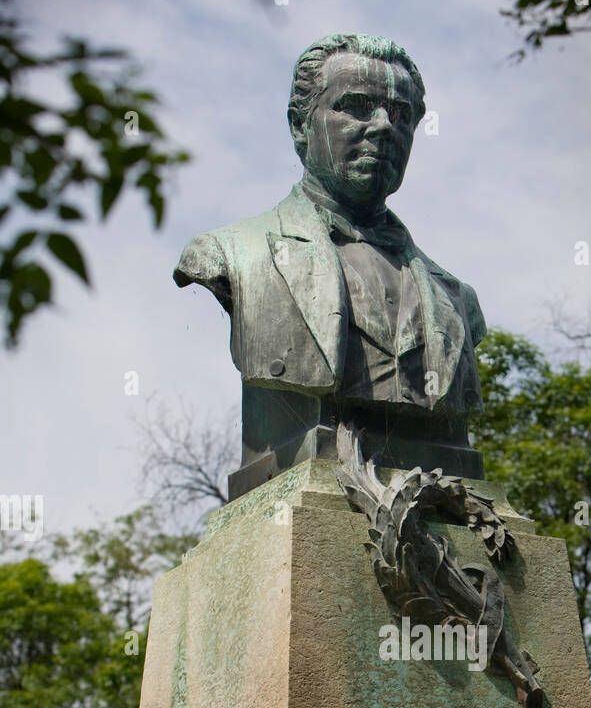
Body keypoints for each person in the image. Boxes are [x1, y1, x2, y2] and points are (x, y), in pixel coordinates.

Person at [174, 33, 487, 495]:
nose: (384, 126)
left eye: (401, 115)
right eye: (357, 106)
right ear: (301, 125)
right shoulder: (233, 254)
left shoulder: (458, 299)